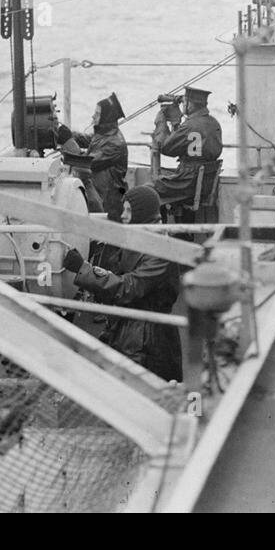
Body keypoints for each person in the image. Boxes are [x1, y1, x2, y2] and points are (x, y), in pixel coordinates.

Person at [62, 186, 182, 382]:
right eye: (123, 210)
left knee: (145, 394)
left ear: (142, 213)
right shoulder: (138, 239)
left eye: (129, 211)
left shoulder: (161, 250)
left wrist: (84, 269)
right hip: (127, 328)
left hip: (148, 338)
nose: (124, 216)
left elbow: (128, 288)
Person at [151, 86, 222, 222]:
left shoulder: (189, 126)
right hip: (203, 185)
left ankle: (159, 232)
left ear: (190, 105)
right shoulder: (214, 123)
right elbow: (184, 145)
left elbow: (166, 148)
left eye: (184, 103)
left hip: (188, 183)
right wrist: (177, 123)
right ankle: (184, 233)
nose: (184, 106)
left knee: (151, 190)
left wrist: (161, 121)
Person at [70, 94, 127, 218]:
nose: (93, 116)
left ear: (106, 117)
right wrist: (67, 133)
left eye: (97, 114)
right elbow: (87, 139)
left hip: (108, 203)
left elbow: (87, 164)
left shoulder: (115, 143)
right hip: (98, 194)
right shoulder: (104, 134)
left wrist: (68, 144)